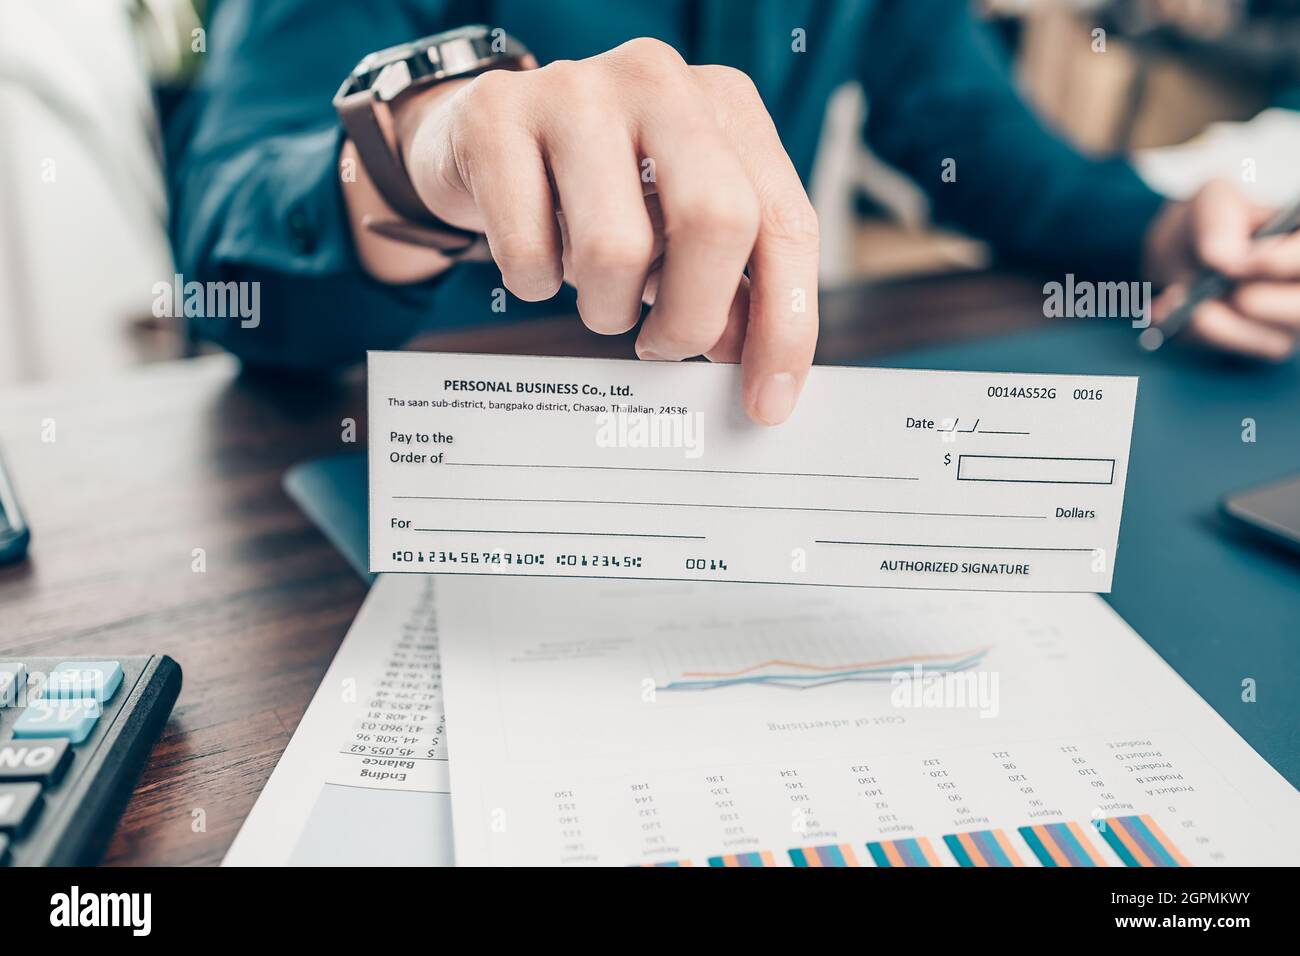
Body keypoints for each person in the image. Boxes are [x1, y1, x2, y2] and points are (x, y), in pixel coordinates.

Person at [171, 0, 1300, 426]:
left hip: (733, 446)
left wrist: (1156, 233)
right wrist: (425, 154)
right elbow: (229, 247)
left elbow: (988, 155)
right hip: (409, 474)